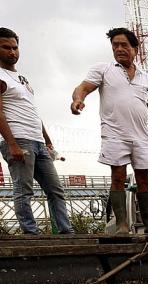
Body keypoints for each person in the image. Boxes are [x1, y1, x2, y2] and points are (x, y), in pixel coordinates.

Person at [70, 27, 148, 234]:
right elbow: (83, 87)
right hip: (114, 133)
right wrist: (78, 99)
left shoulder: (147, 79)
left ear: (135, 49)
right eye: (115, 45)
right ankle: (121, 224)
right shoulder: (103, 69)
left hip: (142, 136)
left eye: (124, 45)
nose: (119, 49)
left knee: (144, 179)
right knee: (118, 176)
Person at [0, 28, 73, 235]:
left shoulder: (22, 79)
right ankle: (31, 234)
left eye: (15, 47)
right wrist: (12, 144)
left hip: (37, 141)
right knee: (24, 190)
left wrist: (48, 140)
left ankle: (65, 232)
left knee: (55, 190)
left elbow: (32, 110)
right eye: (6, 47)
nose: (12, 52)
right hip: (18, 139)